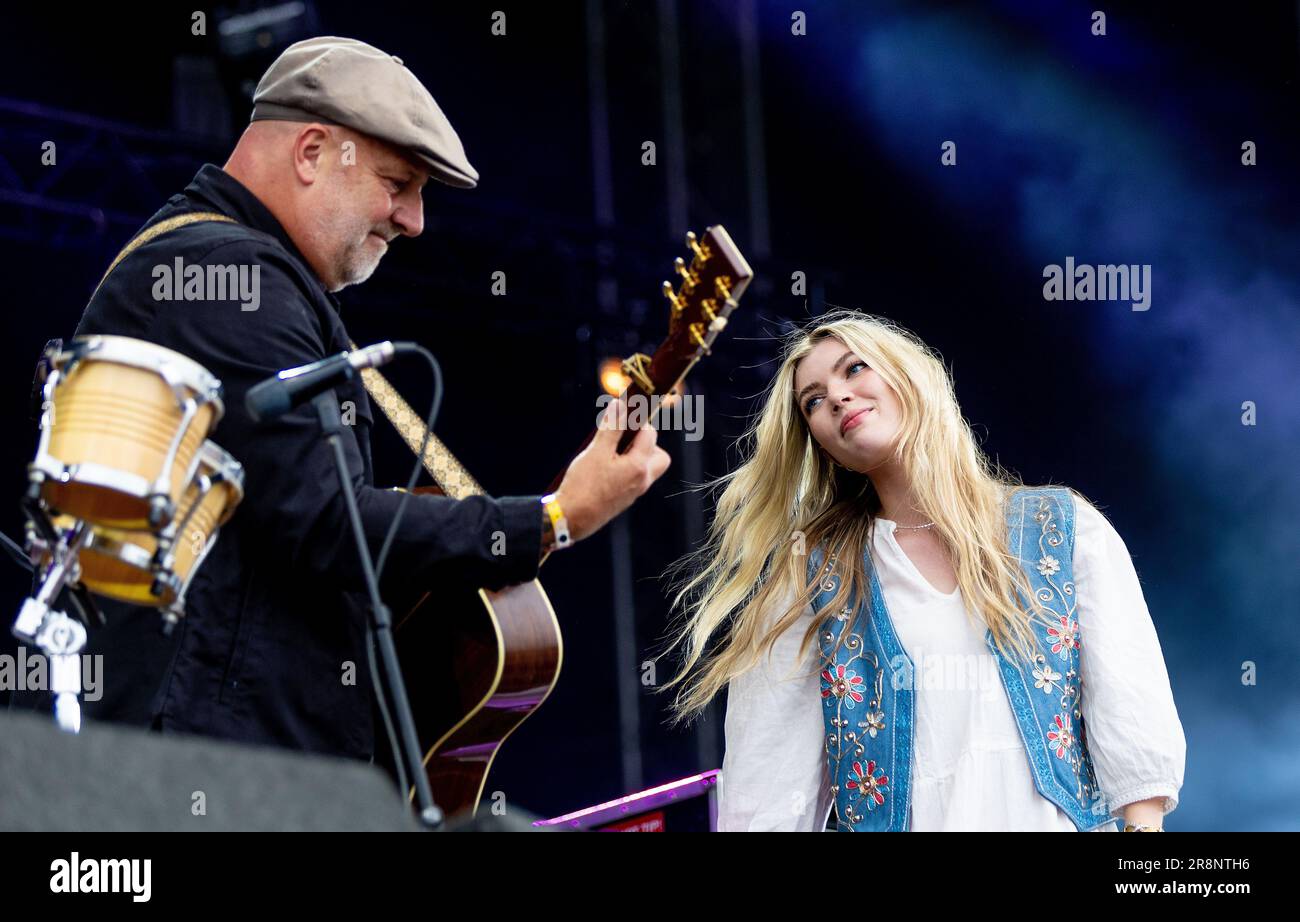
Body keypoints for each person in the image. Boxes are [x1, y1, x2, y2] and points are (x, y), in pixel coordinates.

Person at [20, 37, 670, 760]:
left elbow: (293, 534)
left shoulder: (244, 274)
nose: (415, 221)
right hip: (213, 770)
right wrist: (556, 517)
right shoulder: (224, 273)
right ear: (311, 152)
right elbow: (330, 523)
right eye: (399, 184)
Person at [663, 310, 1185, 831]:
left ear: (910, 375)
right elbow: (766, 785)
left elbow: (1133, 713)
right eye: (813, 401)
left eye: (854, 369)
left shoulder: (1062, 527)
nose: (837, 398)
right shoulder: (811, 578)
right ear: (823, 447)